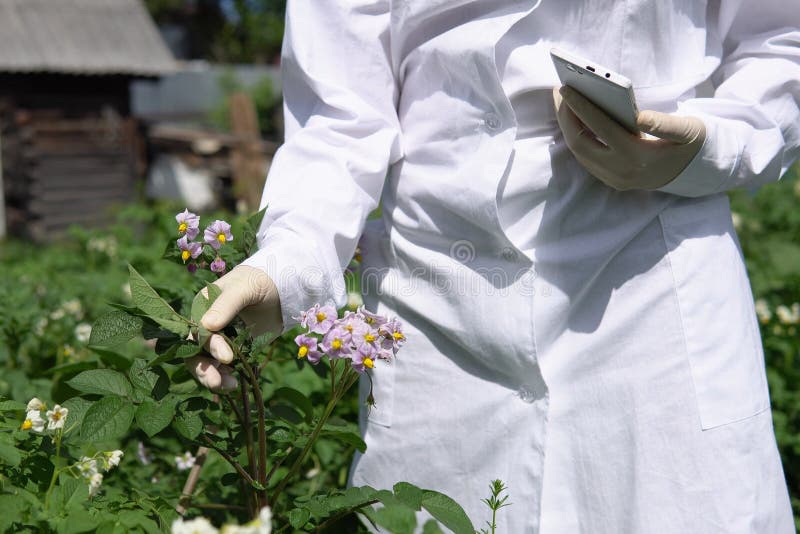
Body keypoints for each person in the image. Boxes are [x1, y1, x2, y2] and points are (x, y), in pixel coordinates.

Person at [188, 1, 800, 531]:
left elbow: (783, 38)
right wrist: (289, 264)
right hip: (435, 311)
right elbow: (340, 119)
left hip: (651, 288)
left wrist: (710, 145)